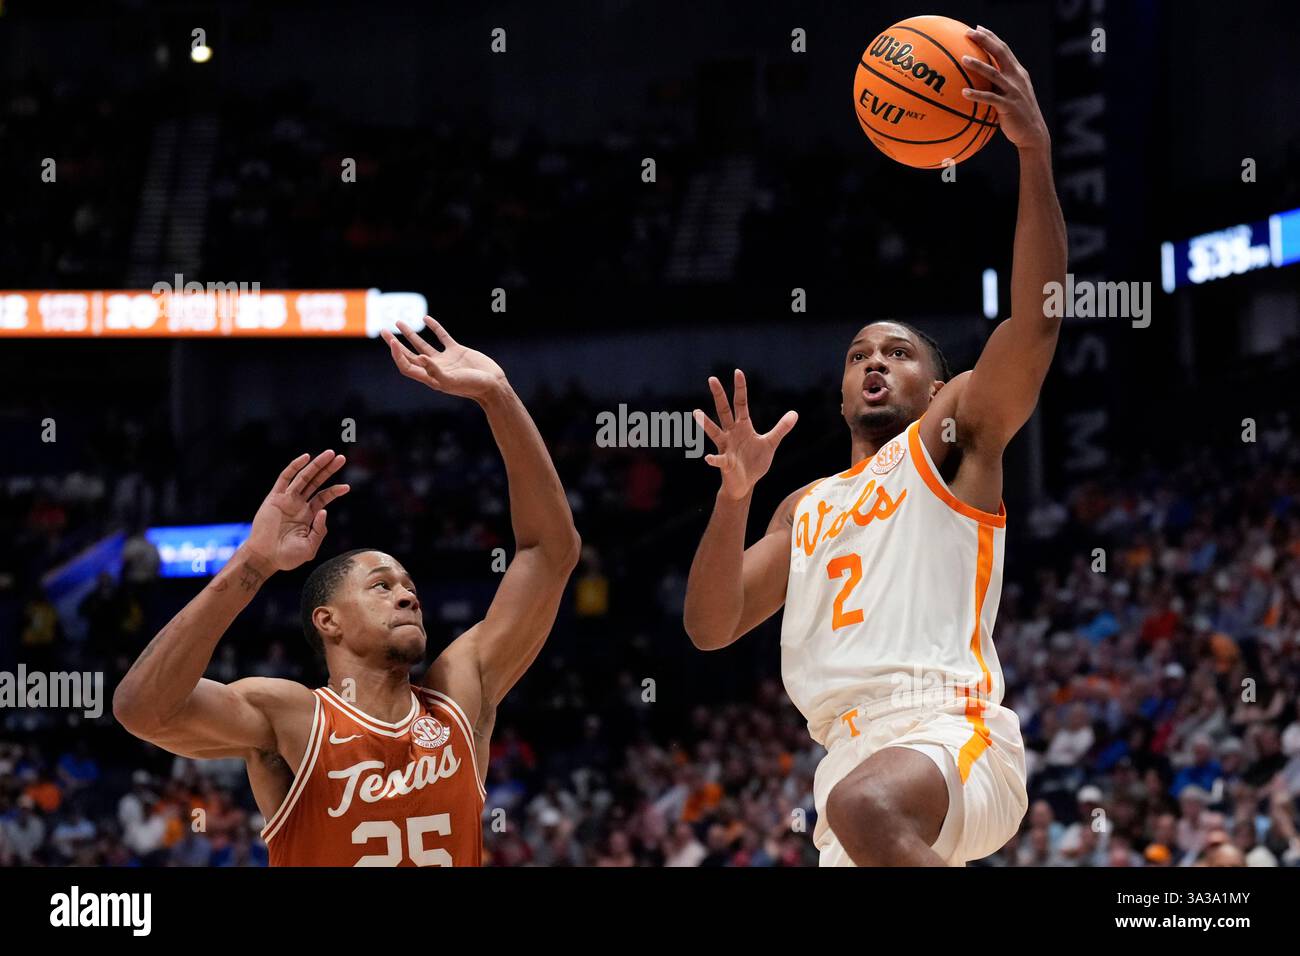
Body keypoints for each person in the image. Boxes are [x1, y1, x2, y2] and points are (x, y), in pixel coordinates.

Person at [683, 26, 1065, 867]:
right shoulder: (804, 505)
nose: (874, 364)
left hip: (948, 731)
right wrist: (733, 499)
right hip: (845, 765)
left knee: (868, 802)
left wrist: (1033, 155)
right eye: (859, 354)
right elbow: (711, 627)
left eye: (897, 353)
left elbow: (1035, 322)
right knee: (858, 801)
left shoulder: (952, 439)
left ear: (937, 387)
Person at [113, 319, 580, 866]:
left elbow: (550, 555)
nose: (408, 597)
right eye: (382, 586)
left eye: (409, 587)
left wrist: (497, 396)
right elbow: (144, 711)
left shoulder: (458, 697)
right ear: (327, 621)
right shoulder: (293, 718)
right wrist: (254, 562)